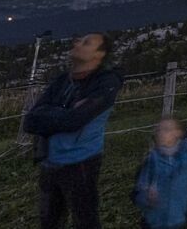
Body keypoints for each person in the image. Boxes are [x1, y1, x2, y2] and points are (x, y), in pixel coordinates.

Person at [24, 32, 123, 229]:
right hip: (50, 161)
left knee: (85, 220)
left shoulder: (105, 83)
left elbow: (75, 120)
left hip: (81, 163)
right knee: (49, 221)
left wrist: (52, 113)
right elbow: (30, 121)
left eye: (86, 43)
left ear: (99, 56)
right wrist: (64, 112)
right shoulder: (62, 81)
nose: (77, 43)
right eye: (79, 39)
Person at [133, 116, 187, 229]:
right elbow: (140, 186)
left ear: (178, 133)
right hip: (153, 219)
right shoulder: (152, 159)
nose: (161, 133)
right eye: (159, 130)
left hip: (176, 218)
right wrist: (146, 198)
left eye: (166, 129)